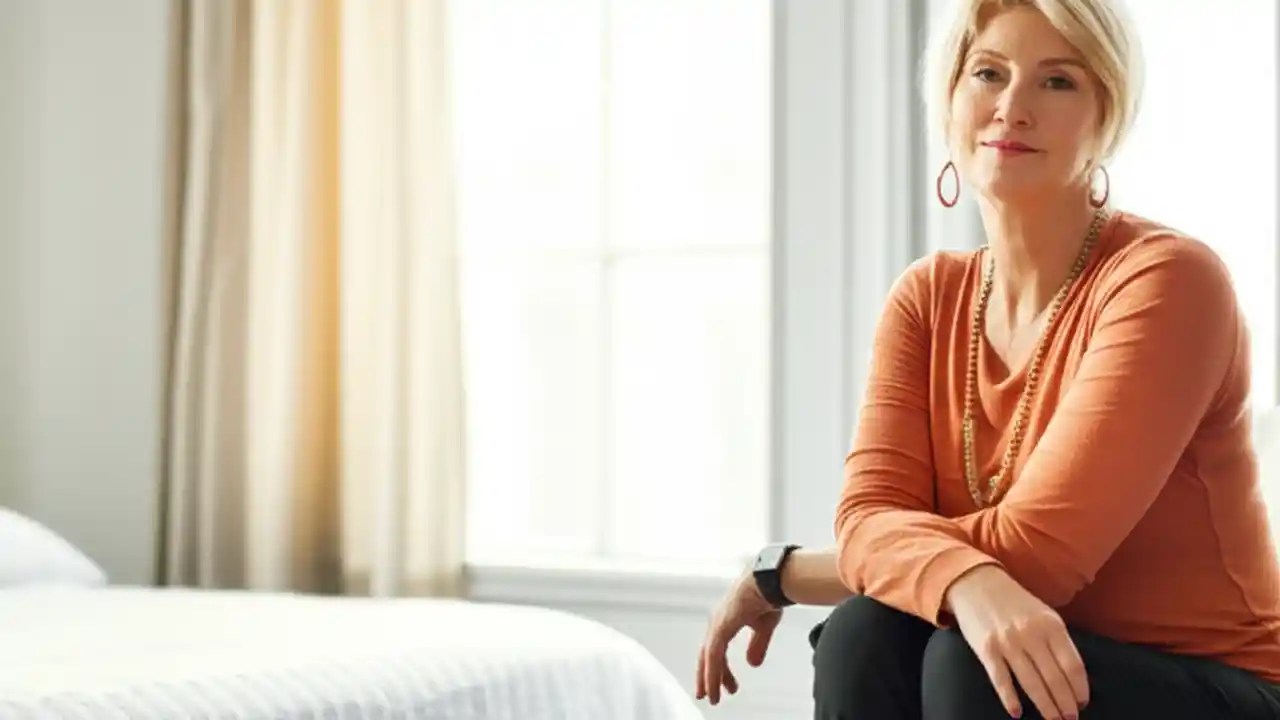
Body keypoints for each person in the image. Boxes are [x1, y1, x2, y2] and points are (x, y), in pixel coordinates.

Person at [694, 0, 1280, 718]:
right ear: (951, 101)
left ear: (1107, 116)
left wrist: (783, 575)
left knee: (970, 660)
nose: (1012, 107)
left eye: (1057, 82)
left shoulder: (1169, 282)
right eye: (988, 73)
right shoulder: (928, 298)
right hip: (1026, 659)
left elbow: (1040, 556)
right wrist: (965, 580)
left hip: (1216, 685)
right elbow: (869, 516)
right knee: (863, 633)